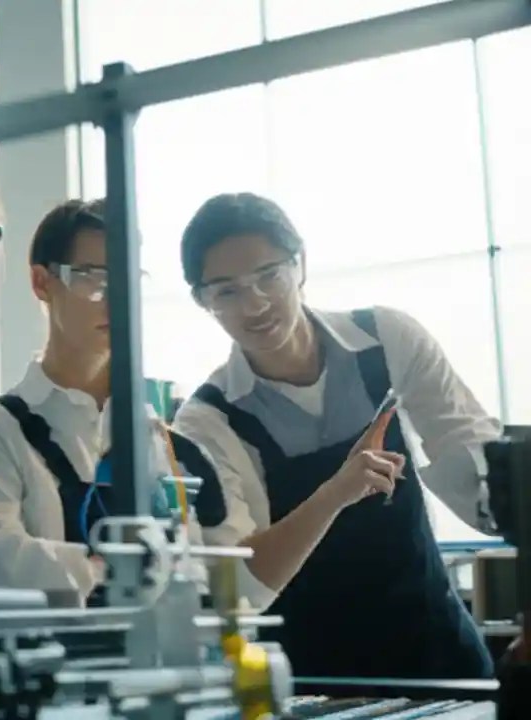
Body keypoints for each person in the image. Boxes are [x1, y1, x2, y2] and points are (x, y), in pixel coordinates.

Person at [172, 192, 498, 679]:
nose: (255, 302)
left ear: (300, 264)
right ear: (203, 301)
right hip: (318, 678)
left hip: (439, 648)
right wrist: (334, 494)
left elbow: (471, 455)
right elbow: (237, 587)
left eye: (268, 276)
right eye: (227, 291)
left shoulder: (387, 339)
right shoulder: (208, 420)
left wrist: (510, 509)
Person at [0, 199, 236, 606]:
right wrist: (120, 567)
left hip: (158, 659)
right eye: (93, 278)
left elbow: (197, 568)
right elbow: (1, 563)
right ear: (42, 283)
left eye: (128, 280)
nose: (114, 299)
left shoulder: (156, 433)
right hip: (49, 661)